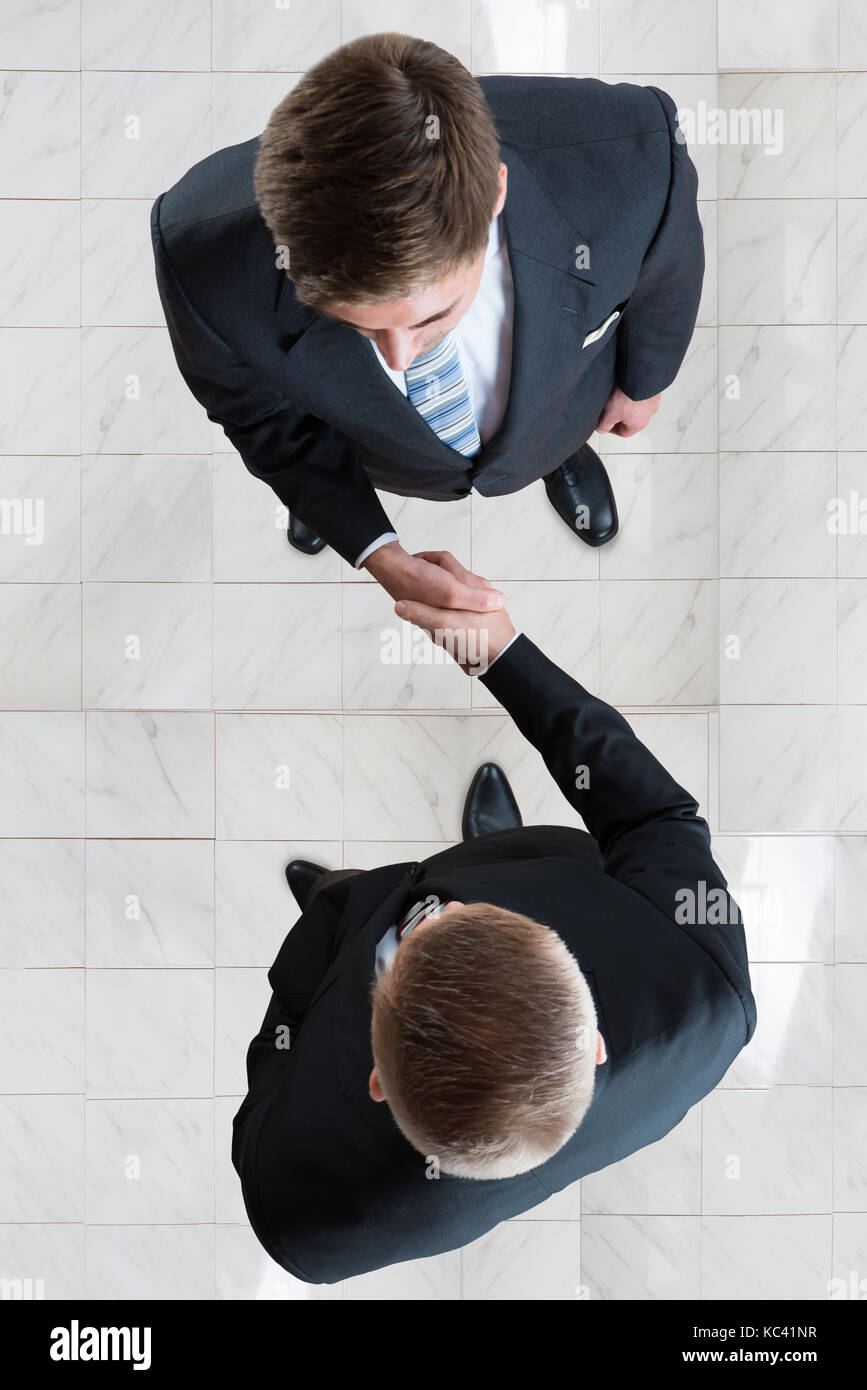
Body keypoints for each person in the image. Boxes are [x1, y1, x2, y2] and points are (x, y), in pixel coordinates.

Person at [231, 560, 756, 1284]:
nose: (433, 906)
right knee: (452, 874)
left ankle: (339, 894)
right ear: (593, 1040)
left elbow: (270, 1077)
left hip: (334, 957)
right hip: (527, 859)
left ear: (377, 1080)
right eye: (472, 912)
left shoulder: (307, 1219)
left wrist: (326, 944)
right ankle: (480, 851)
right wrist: (499, 652)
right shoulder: (711, 990)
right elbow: (649, 816)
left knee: (351, 900)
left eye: (418, 928)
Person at [151, 32, 704, 615]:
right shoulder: (199, 255)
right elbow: (262, 416)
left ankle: (557, 456)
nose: (398, 359)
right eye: (359, 327)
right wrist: (373, 546)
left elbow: (667, 272)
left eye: (432, 317)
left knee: (543, 424)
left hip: (560, 407)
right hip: (371, 450)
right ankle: (328, 500)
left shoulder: (635, 157)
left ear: (494, 193)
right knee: (317, 469)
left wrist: (646, 383)